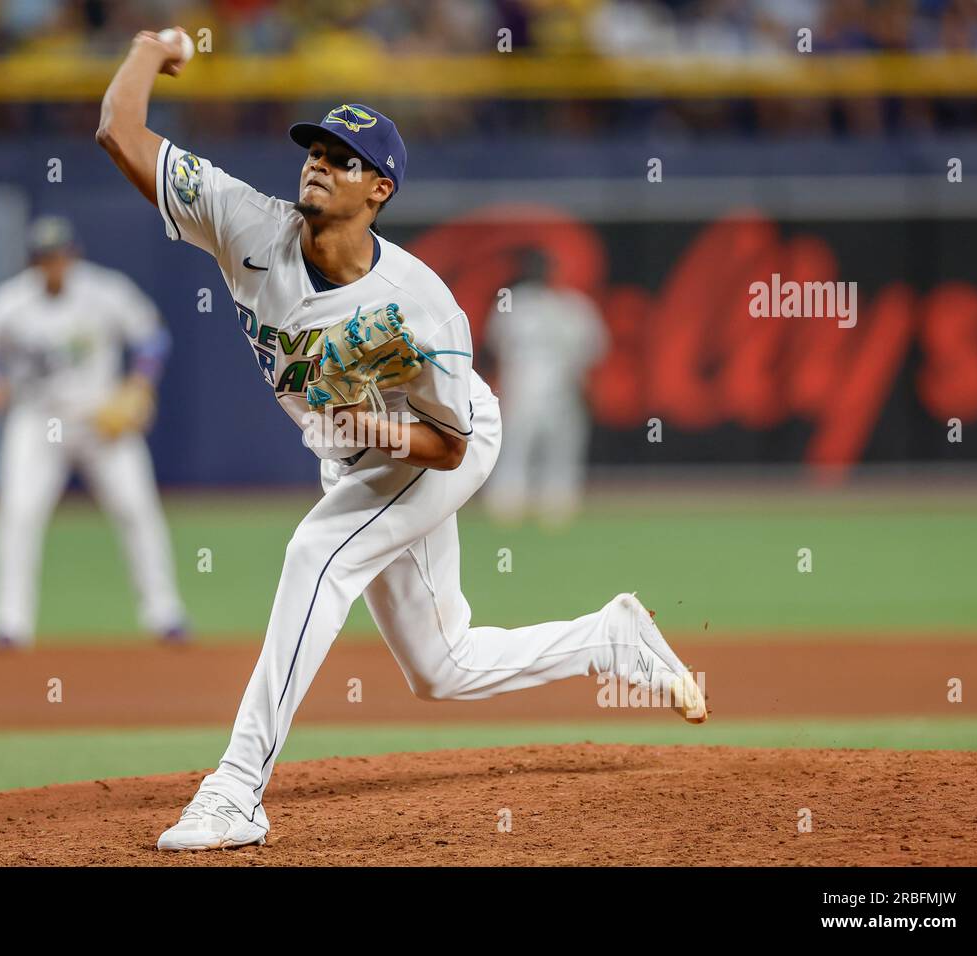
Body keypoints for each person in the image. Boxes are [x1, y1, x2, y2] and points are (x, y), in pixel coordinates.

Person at [96, 29, 706, 852]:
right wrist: (147, 47)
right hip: (357, 454)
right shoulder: (246, 223)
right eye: (315, 146)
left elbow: (449, 447)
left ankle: (236, 788)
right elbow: (119, 135)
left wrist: (373, 425)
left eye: (342, 157)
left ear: (379, 188)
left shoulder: (422, 308)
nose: (318, 160)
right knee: (440, 667)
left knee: (318, 554)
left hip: (440, 441)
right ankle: (609, 637)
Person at [0, 215, 187, 649]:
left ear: (73, 255)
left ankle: (164, 613)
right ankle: (10, 622)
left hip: (100, 417)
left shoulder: (105, 291)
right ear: (32, 262)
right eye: (44, 258)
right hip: (36, 420)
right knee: (19, 513)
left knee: (137, 510)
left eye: (59, 256)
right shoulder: (9, 303)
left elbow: (152, 337)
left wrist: (140, 383)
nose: (53, 265)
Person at [483, 249, 609, 526]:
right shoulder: (515, 303)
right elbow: (499, 351)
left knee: (560, 447)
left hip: (558, 386)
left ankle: (553, 503)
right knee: (517, 447)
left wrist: (588, 390)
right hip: (524, 385)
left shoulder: (573, 306)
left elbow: (588, 355)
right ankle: (510, 502)